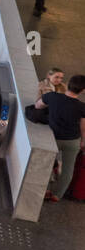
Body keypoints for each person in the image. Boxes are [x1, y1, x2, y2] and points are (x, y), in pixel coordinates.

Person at [32, 74, 85, 202]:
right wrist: (83, 140)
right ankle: (57, 195)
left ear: (67, 83)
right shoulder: (82, 107)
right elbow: (83, 126)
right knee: (68, 169)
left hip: (53, 138)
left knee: (46, 164)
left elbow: (37, 106)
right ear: (83, 91)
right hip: (72, 141)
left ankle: (43, 191)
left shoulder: (52, 97)